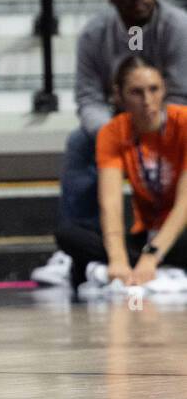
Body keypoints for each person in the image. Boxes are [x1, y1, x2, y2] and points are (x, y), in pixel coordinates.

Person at [48, 0, 187, 285]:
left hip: (170, 122)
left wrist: (152, 121)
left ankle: (147, 256)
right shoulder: (95, 34)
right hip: (118, 124)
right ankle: (83, 253)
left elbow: (181, 93)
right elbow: (88, 98)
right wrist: (121, 129)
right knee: (80, 141)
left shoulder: (178, 27)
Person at [64, 57, 187, 294]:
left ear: (165, 89)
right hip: (146, 230)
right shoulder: (113, 132)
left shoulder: (183, 124)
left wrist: (152, 255)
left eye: (154, 89)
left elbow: (184, 204)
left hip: (180, 229)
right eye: (136, 92)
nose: (147, 101)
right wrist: (117, 257)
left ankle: (144, 265)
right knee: (69, 234)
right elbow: (110, 203)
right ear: (119, 95)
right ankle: (136, 267)